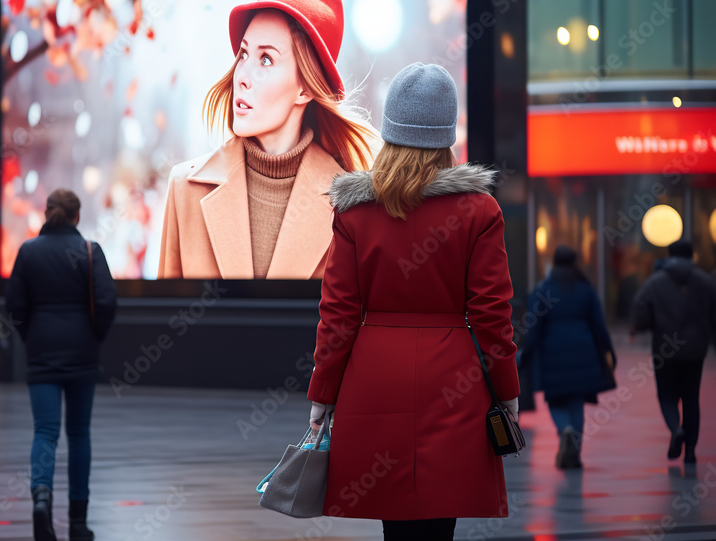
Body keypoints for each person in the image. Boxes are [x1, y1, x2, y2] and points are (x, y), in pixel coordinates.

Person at [305, 63, 519, 541]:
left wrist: (322, 395)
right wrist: (506, 388)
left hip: (373, 379)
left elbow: (337, 315)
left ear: (390, 130)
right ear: (447, 135)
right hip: (454, 380)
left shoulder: (356, 210)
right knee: (439, 520)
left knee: (393, 524)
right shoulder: (479, 211)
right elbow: (492, 314)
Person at [158, 0, 379, 280]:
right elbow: (162, 320)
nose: (242, 76)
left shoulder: (352, 208)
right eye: (244, 54)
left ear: (304, 88)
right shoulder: (185, 189)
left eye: (266, 59)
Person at [6, 188, 117, 541]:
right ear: (77, 216)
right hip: (82, 353)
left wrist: (31, 337)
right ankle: (79, 523)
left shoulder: (28, 252)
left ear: (46, 213)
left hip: (41, 352)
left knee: (45, 432)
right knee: (79, 434)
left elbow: (14, 306)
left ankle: (41, 498)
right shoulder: (89, 251)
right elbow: (107, 302)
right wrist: (93, 336)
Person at [518, 245, 616, 469]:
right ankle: (575, 454)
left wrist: (527, 353)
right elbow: (599, 325)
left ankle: (565, 430)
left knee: (556, 400)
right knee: (576, 403)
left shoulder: (542, 290)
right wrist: (609, 350)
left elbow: (533, 328)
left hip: (553, 354)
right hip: (584, 351)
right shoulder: (586, 290)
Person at [632, 240, 716, 465]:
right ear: (692, 255)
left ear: (669, 255)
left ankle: (676, 429)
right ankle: (690, 450)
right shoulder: (706, 282)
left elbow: (640, 308)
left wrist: (644, 325)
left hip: (665, 348)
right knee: (691, 399)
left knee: (667, 396)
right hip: (696, 349)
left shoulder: (655, 282)